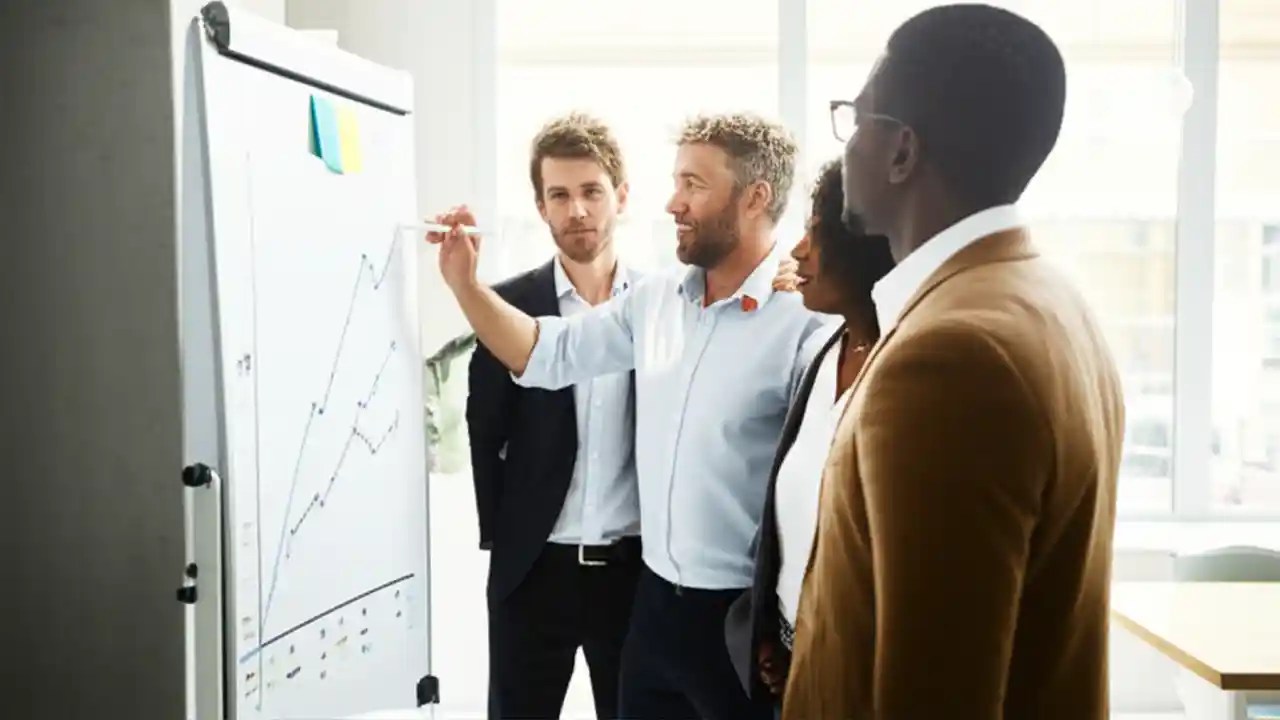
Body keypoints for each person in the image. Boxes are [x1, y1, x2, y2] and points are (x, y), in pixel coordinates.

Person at [783, 5, 1126, 719]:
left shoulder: (950, 357)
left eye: (858, 119)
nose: (845, 149)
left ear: (903, 153)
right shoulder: (1048, 298)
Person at [428, 111, 830, 720]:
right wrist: (465, 285)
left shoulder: (807, 325)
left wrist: (796, 621)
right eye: (676, 182)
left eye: (694, 184)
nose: (674, 203)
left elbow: (818, 495)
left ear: (755, 198)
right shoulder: (655, 302)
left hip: (742, 625)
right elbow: (546, 352)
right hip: (652, 614)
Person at [467, 113, 641, 720]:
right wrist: (504, 537)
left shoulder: (664, 304)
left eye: (592, 191)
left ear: (620, 195)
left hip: (632, 575)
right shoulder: (505, 306)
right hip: (533, 572)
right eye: (559, 195)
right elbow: (484, 431)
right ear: (540, 206)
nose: (577, 211)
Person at [723, 159, 895, 709]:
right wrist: (772, 632)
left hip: (855, 679)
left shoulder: (904, 373)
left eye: (815, 234)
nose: (797, 251)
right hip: (792, 664)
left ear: (864, 244)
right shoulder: (823, 351)